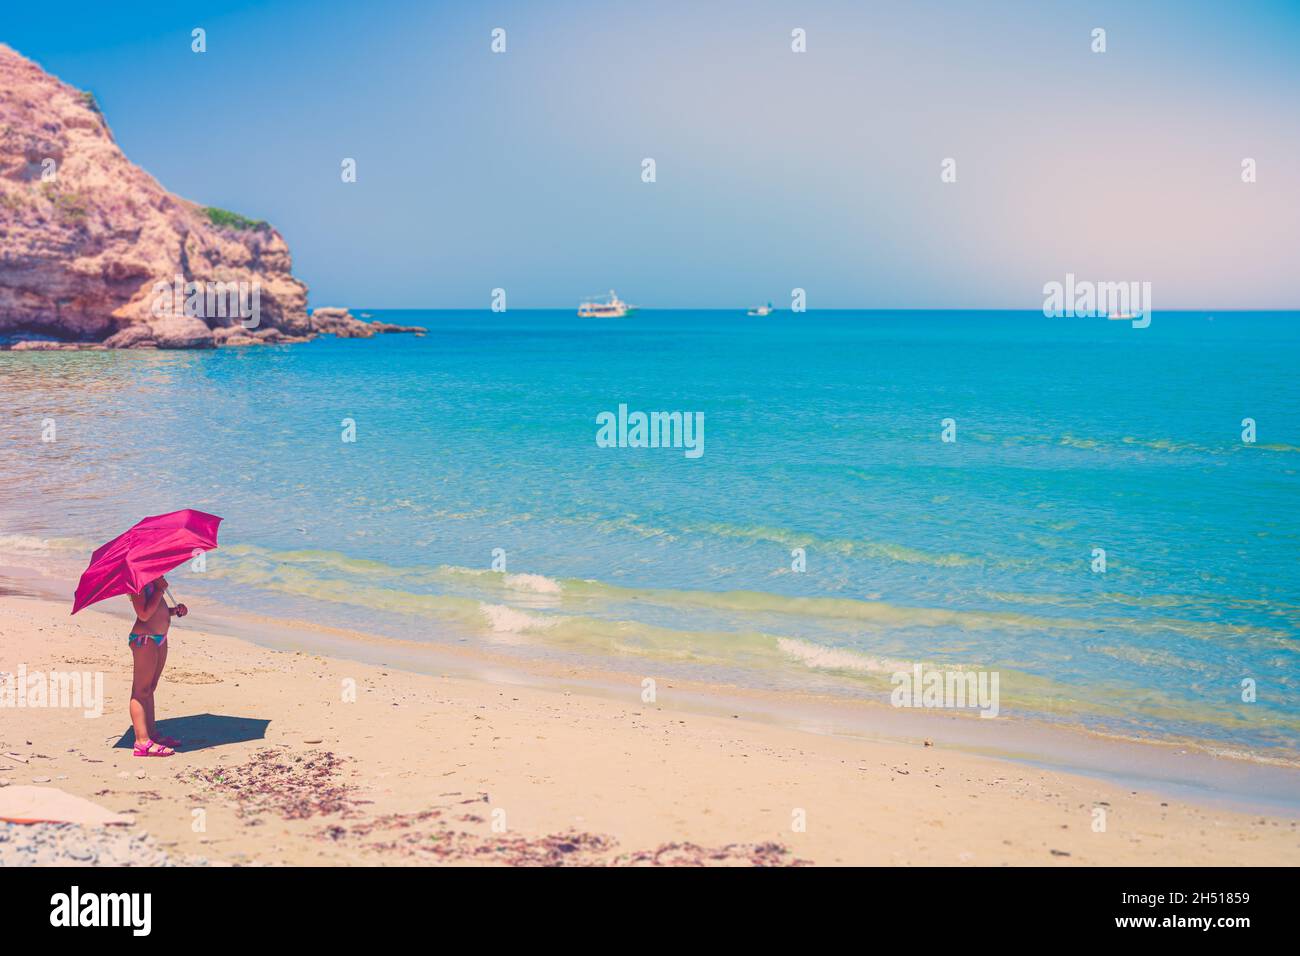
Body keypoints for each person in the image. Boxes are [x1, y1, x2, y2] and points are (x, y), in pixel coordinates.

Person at [127, 575, 188, 757]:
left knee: (150, 688)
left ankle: (151, 734)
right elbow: (143, 614)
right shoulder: (137, 584)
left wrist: (174, 611)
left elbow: (156, 610)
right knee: (140, 691)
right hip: (145, 639)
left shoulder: (154, 580)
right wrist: (160, 589)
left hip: (160, 638)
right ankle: (142, 741)